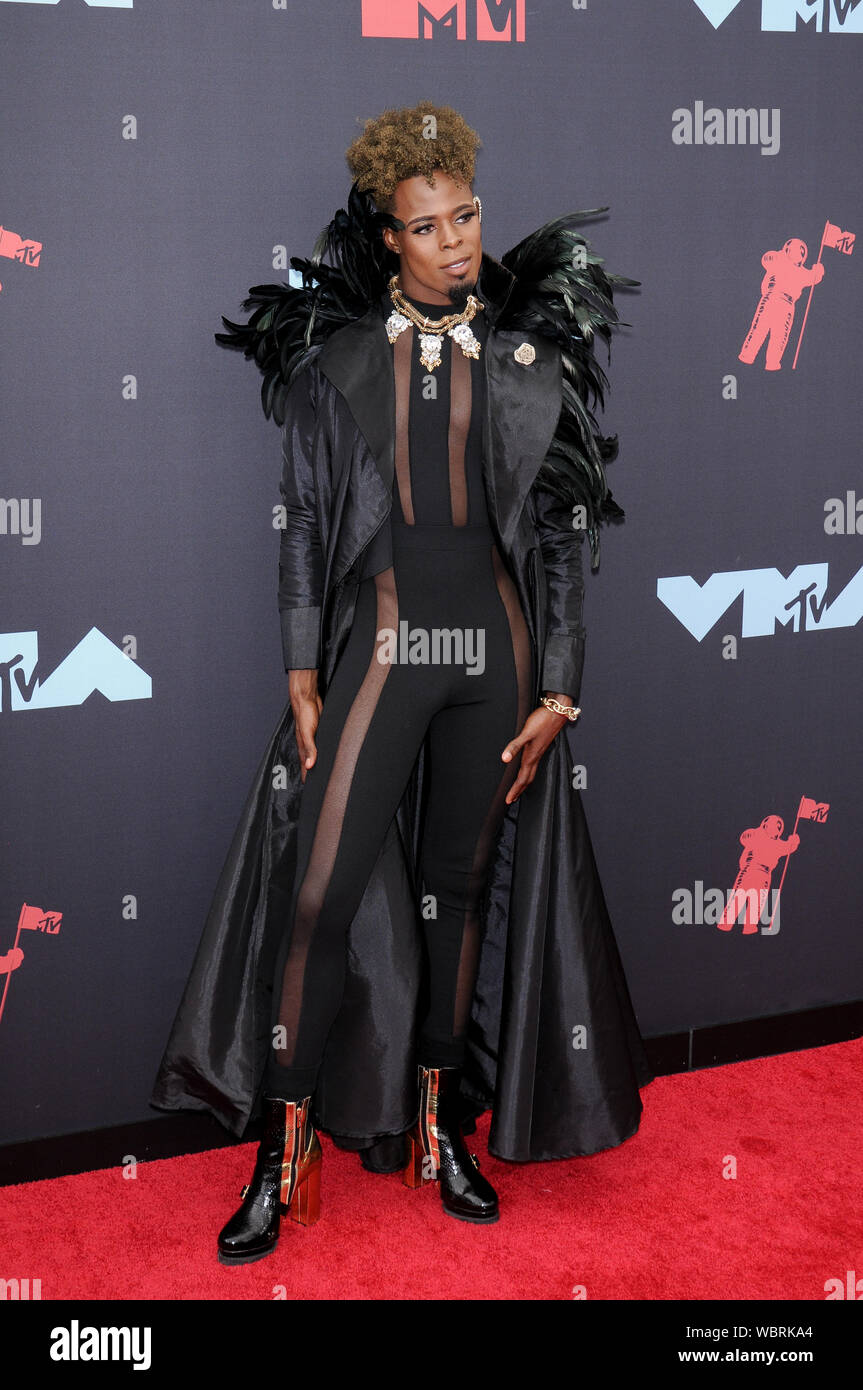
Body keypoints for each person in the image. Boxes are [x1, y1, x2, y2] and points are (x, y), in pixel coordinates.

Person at [150, 100, 654, 1266]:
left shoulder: (532, 361)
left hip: (493, 662)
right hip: (382, 654)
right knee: (317, 899)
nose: (454, 241)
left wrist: (559, 686)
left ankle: (439, 1126)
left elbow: (562, 534)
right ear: (388, 235)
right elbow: (301, 525)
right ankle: (283, 1153)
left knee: (455, 897)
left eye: (465, 216)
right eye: (426, 226)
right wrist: (298, 664)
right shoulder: (334, 366)